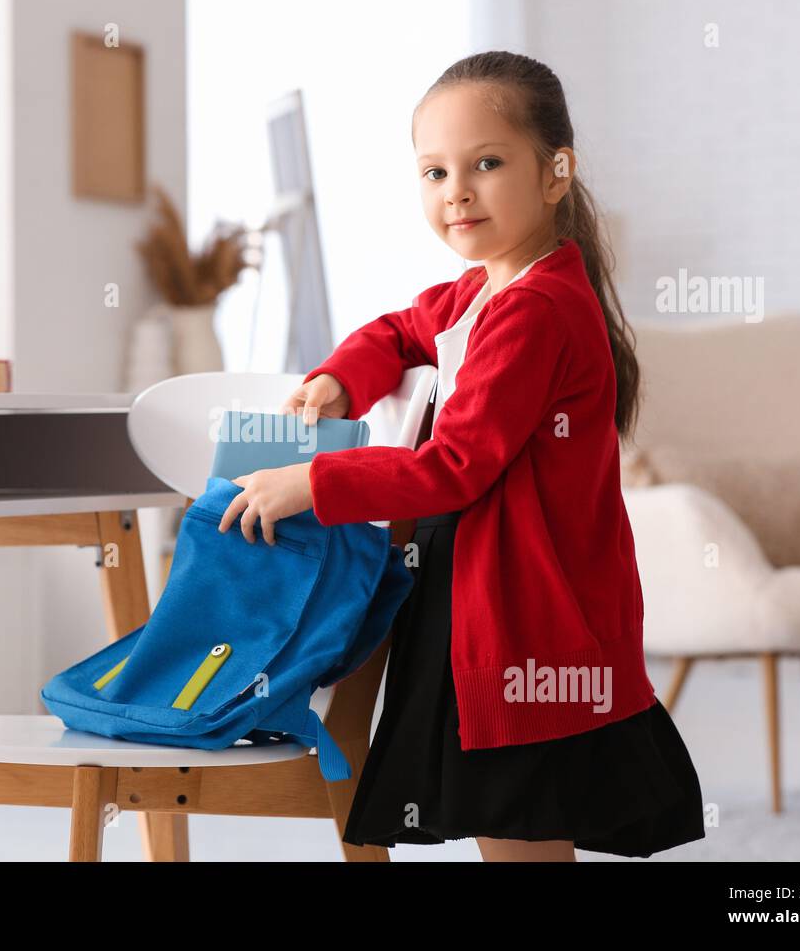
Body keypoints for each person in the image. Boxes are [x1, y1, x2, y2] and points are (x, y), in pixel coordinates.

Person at [216, 50, 705, 861]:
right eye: (434, 172)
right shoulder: (483, 290)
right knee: (503, 814)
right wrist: (341, 378)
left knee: (518, 815)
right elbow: (399, 330)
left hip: (523, 615)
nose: (457, 193)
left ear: (555, 173)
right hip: (480, 600)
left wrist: (314, 481)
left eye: (486, 163)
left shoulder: (534, 311)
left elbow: (456, 466)